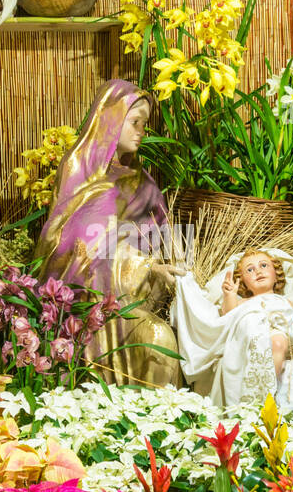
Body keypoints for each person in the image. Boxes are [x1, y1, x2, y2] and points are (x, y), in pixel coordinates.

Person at [33, 79, 182, 387]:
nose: (141, 131)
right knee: (157, 339)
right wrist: (146, 265)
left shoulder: (144, 183)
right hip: (87, 306)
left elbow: (166, 233)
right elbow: (68, 243)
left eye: (145, 124)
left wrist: (175, 266)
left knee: (161, 343)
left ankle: (162, 426)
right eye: (134, 122)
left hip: (140, 298)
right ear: (112, 121)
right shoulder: (82, 171)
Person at [170, 247, 293, 410]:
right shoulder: (244, 303)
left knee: (277, 343)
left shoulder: (282, 300)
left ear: (276, 274)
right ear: (243, 281)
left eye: (264, 266)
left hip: (275, 332)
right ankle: (256, 385)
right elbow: (230, 315)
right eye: (250, 269)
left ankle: (268, 392)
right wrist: (230, 295)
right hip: (249, 339)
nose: (258, 271)